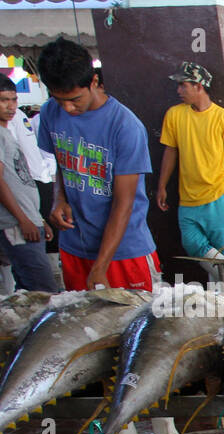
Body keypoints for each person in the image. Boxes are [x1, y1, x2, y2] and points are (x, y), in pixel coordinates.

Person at [35, 39, 159, 291]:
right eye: (59, 100)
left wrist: (101, 266)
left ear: (94, 81)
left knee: (134, 324)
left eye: (75, 100)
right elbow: (63, 163)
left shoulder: (125, 126)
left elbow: (124, 203)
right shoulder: (50, 112)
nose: (67, 108)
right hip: (74, 247)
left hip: (124, 253)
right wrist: (59, 198)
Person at [157, 62, 224, 281]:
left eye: (183, 85)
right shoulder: (174, 115)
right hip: (188, 200)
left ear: (199, 86)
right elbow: (170, 151)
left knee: (223, 256)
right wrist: (162, 186)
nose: (178, 91)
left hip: (220, 197)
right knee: (194, 245)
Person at [0, 75, 57, 291]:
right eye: (3, 100)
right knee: (44, 292)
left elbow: (19, 181)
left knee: (31, 292)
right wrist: (23, 220)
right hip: (16, 224)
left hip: (27, 219)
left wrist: (37, 218)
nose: (10, 106)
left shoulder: (9, 130)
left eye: (13, 100)